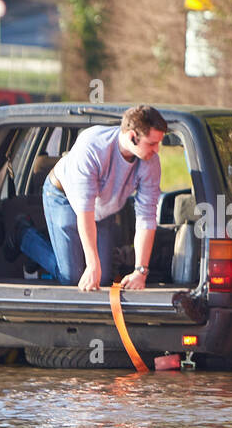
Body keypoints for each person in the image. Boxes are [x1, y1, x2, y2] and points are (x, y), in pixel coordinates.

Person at [19, 104, 166, 291]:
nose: (157, 150)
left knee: (103, 278)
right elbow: (85, 211)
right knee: (72, 277)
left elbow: (146, 218)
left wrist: (140, 271)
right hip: (63, 195)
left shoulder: (150, 162)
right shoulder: (93, 147)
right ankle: (23, 234)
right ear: (132, 137)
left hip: (101, 207)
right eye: (152, 143)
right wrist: (91, 265)